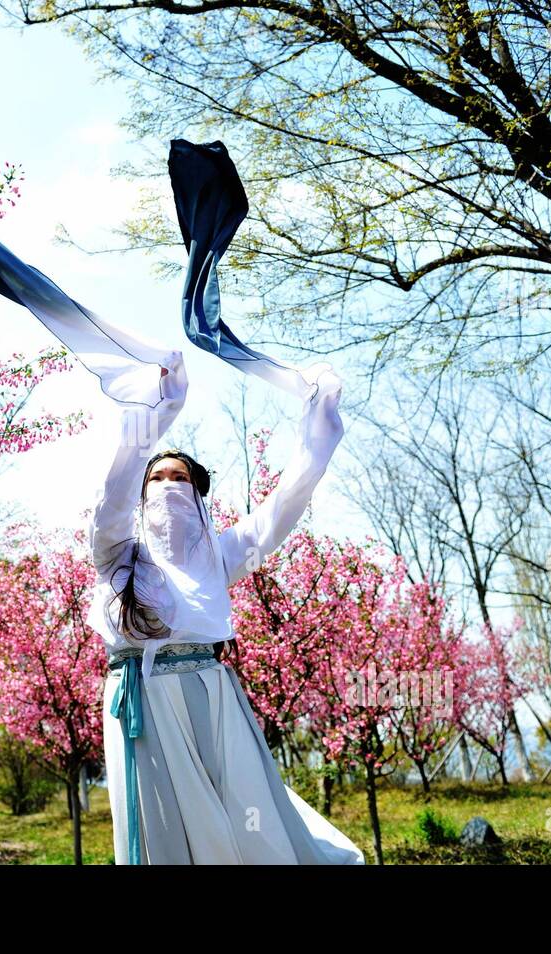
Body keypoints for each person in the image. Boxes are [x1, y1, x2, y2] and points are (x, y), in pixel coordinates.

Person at [86, 351, 365, 865]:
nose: (169, 486)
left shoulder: (222, 554)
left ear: (200, 497)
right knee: (158, 821)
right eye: (158, 479)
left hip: (209, 692)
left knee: (238, 810)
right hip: (139, 701)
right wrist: (160, 410)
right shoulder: (117, 553)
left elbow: (287, 501)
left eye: (181, 479)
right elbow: (114, 493)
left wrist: (319, 422)